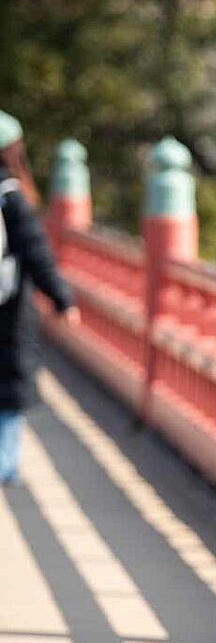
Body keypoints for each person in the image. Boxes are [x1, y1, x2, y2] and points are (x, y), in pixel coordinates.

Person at [0, 110, 79, 485]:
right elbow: (37, 254)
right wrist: (63, 299)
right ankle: (5, 466)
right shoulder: (11, 195)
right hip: (8, 308)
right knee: (8, 389)